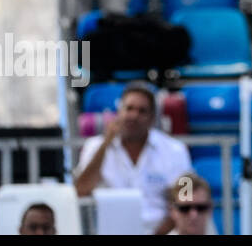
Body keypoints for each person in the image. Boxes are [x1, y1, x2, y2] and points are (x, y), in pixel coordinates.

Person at [74, 84, 192, 234]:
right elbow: (81, 191)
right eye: (129, 108)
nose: (134, 116)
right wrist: (106, 144)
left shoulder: (175, 149)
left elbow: (185, 199)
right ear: (119, 112)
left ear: (152, 118)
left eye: (142, 111)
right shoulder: (95, 146)